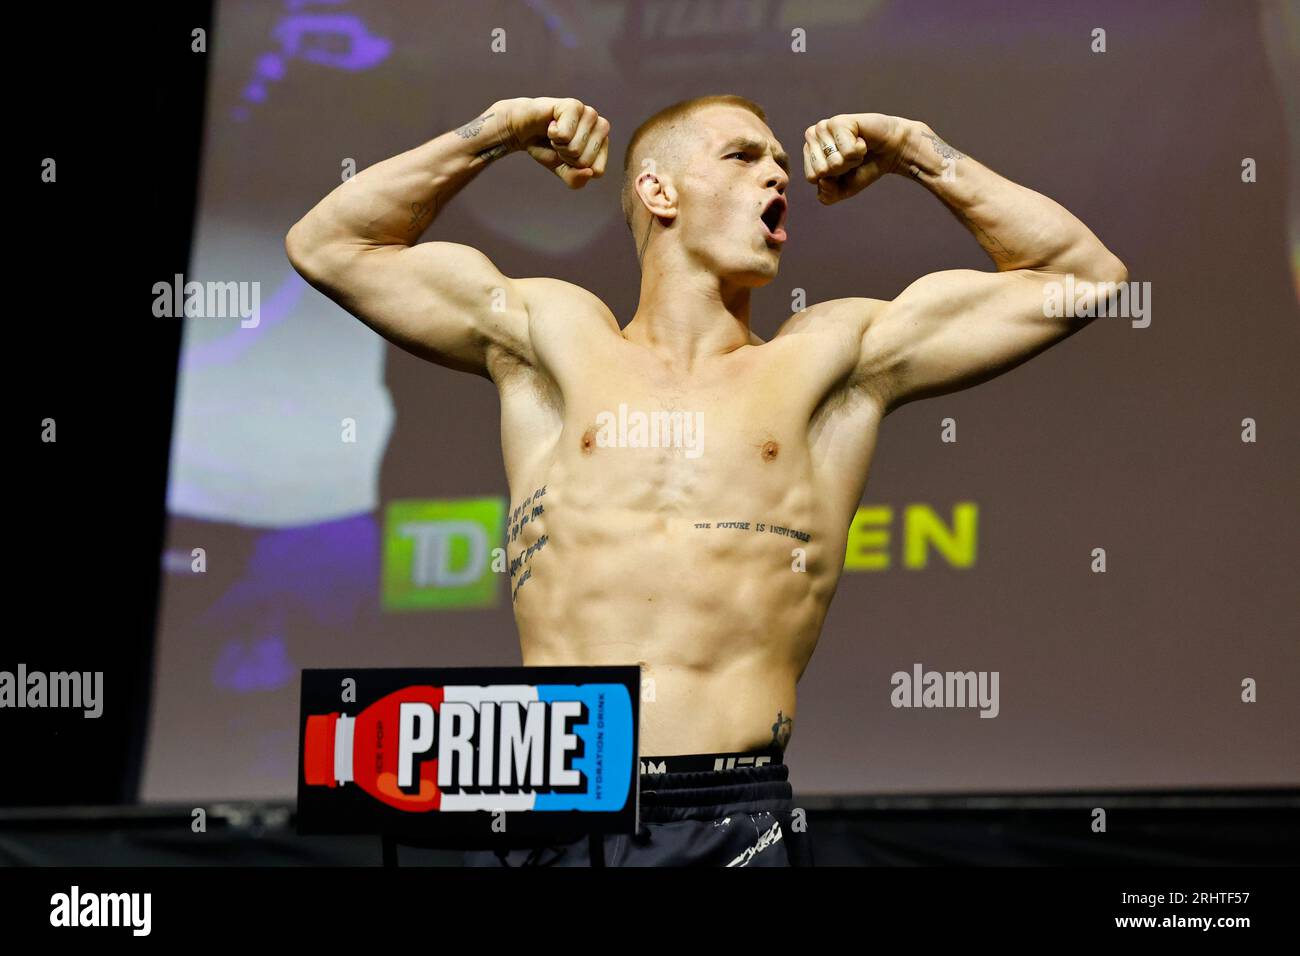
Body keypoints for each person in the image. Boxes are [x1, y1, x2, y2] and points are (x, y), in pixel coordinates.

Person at [285, 94, 1126, 866]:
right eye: (742, 156)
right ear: (658, 193)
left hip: (727, 814)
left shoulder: (828, 358)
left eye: (780, 164)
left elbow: (1085, 279)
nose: (776, 173)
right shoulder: (552, 339)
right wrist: (497, 132)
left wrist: (914, 149)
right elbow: (329, 246)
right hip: (545, 797)